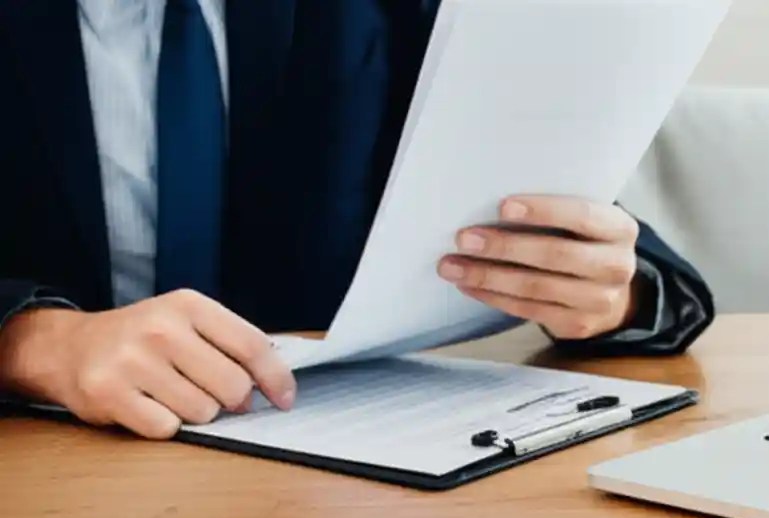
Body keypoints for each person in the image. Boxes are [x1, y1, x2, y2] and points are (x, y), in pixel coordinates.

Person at [0, 1, 714, 439]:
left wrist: (612, 292)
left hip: (331, 481)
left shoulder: (378, 14)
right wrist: (32, 343)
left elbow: (632, 266)